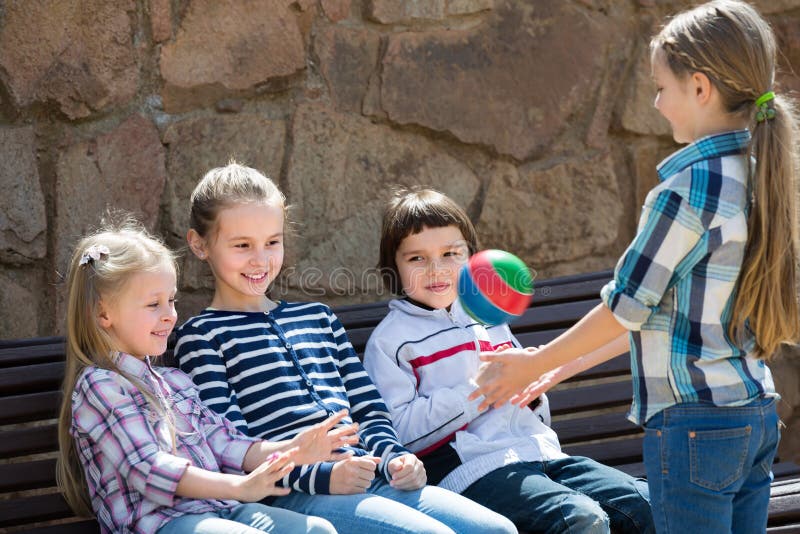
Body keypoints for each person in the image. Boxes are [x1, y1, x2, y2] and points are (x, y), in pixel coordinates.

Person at [471, 1, 798, 532]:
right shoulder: (761, 176)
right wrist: (561, 367)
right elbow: (664, 316)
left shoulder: (686, 190)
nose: (657, 102)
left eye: (661, 87)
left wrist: (532, 365)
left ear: (700, 88)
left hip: (695, 429)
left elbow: (625, 306)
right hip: (754, 414)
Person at [174, 162, 517, 534]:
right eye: (242, 246)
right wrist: (325, 477)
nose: (261, 259)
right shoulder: (202, 337)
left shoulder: (318, 318)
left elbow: (369, 410)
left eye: (273, 242)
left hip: (370, 475)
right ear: (199, 244)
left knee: (496, 531)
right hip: (293, 494)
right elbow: (231, 449)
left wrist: (395, 459)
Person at [362, 188, 653, 533]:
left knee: (645, 504)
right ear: (392, 267)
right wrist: (477, 391)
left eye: (450, 254)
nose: (436, 269)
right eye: (417, 259)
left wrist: (528, 390)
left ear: (472, 257)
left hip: (541, 454)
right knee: (578, 520)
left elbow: (530, 411)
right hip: (471, 472)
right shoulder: (391, 341)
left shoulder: (488, 318)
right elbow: (399, 432)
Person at [56, 221, 357, 534]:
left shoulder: (175, 382)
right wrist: (238, 487)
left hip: (219, 511)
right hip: (162, 524)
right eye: (153, 304)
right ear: (104, 313)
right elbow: (148, 468)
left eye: (171, 300)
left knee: (317, 530)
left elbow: (223, 442)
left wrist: (293, 450)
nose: (169, 314)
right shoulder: (101, 386)